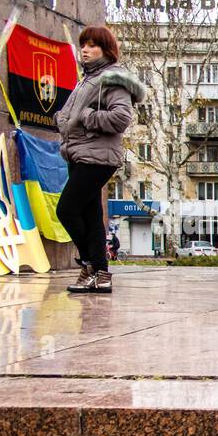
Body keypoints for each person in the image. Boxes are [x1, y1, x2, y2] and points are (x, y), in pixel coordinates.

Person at [55, 25, 145, 294]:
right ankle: (101, 273)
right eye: (83, 44)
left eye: (92, 45)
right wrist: (61, 118)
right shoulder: (87, 78)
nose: (85, 49)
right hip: (80, 154)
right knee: (91, 215)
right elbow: (71, 114)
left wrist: (85, 118)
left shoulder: (113, 78)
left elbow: (120, 118)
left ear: (106, 50)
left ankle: (91, 265)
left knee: (67, 210)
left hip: (98, 157)